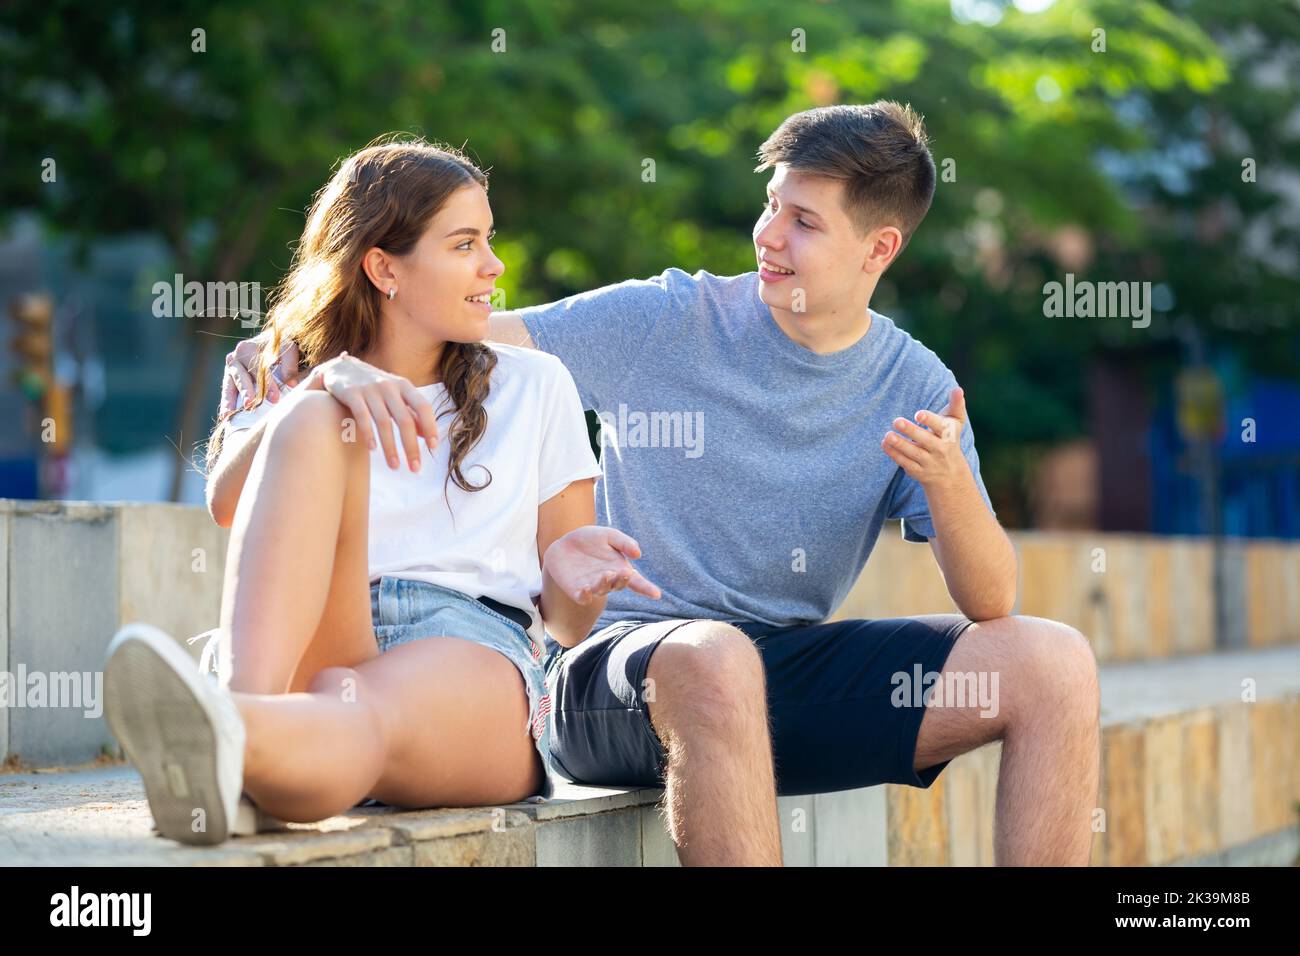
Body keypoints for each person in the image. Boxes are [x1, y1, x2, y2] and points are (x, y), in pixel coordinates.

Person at [225, 103, 1101, 866]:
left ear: (879, 246)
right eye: (770, 207)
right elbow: (457, 335)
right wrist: (297, 353)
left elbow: (993, 598)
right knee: (712, 659)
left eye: (802, 221)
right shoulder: (666, 318)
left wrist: (949, 482)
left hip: (779, 673)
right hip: (615, 671)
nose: (768, 235)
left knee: (1052, 663)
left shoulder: (914, 385)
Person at [104, 137, 659, 846]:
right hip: (305, 635)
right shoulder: (288, 370)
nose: (494, 267)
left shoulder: (536, 383)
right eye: (464, 245)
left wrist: (572, 584)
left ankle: (229, 739)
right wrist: (319, 383)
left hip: (468, 651)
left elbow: (568, 630)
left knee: (360, 705)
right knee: (313, 418)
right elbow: (226, 504)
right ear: (383, 267)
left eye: (488, 241)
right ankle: (244, 723)